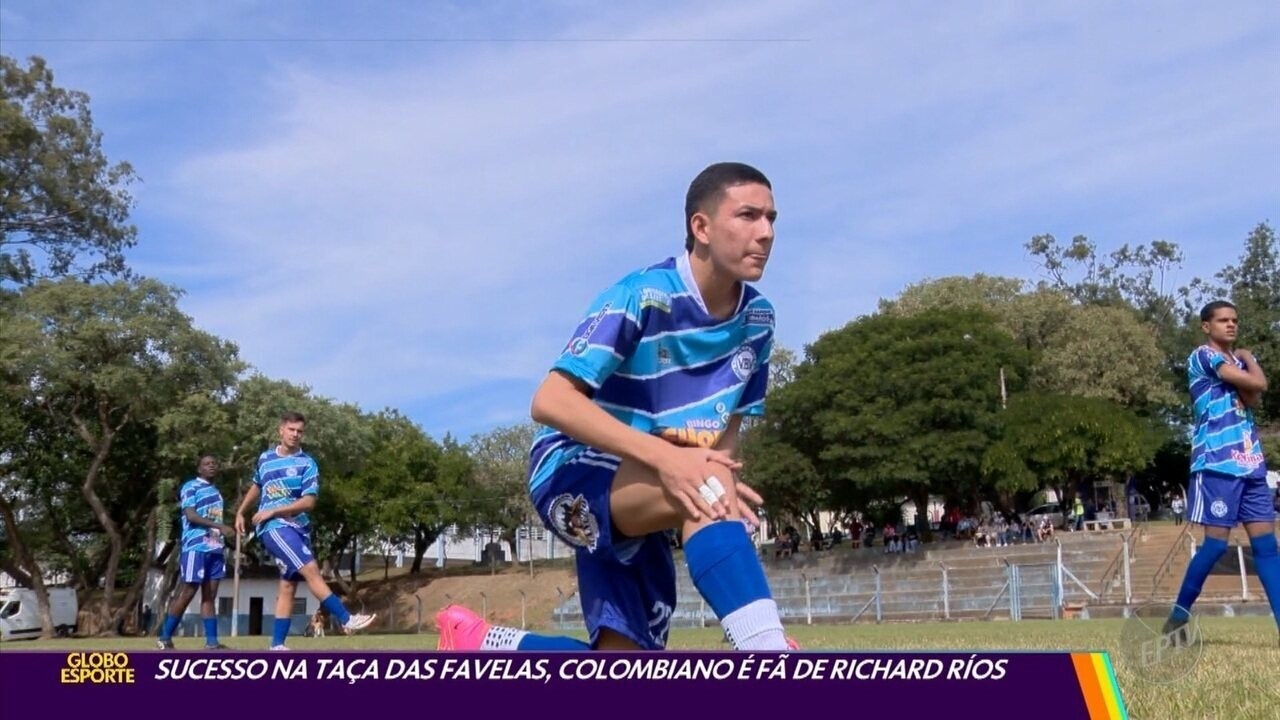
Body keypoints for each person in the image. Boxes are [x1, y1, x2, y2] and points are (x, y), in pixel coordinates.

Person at [435, 162, 792, 652]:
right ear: (702, 227)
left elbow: (726, 428)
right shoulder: (642, 296)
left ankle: (481, 644)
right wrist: (683, 466)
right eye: (748, 215)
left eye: (771, 218)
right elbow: (550, 400)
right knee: (708, 488)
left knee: (622, 668)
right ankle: (769, 651)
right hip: (573, 467)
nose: (766, 232)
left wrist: (718, 474)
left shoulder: (758, 319)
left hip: (656, 478)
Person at [1165, 301, 1278, 645]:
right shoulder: (1202, 356)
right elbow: (1260, 383)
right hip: (1216, 462)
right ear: (1206, 326)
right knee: (1215, 545)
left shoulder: (1235, 362)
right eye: (1223, 320)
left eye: (1235, 320)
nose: (1231, 325)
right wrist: (1248, 358)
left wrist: (1244, 361)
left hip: (1251, 463)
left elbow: (1253, 398)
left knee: (1268, 548)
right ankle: (1178, 616)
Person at [235, 411, 375, 650]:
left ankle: (277, 645)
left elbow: (309, 502)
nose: (295, 434)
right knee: (311, 569)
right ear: (281, 430)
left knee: (289, 584)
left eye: (299, 431)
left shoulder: (307, 463)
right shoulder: (265, 459)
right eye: (291, 429)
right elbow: (257, 485)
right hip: (274, 527)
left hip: (297, 528)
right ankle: (347, 618)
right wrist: (241, 511)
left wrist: (275, 509)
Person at [157, 454, 236, 650]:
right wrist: (219, 526)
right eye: (207, 464)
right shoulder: (190, 487)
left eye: (214, 463)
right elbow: (191, 515)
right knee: (188, 592)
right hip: (196, 547)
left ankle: (212, 642)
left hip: (215, 547)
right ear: (199, 469)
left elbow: (214, 518)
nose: (211, 466)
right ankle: (164, 638)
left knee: (210, 595)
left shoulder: (216, 492)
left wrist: (223, 532)